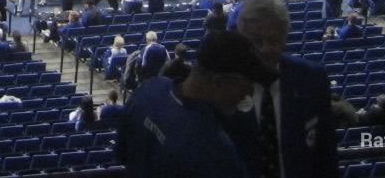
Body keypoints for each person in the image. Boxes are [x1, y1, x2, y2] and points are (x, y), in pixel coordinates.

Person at [117, 31, 276, 178]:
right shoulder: (216, 150)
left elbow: (121, 154)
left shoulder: (148, 90)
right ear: (219, 83)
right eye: (246, 86)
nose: (247, 95)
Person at [231, 0, 339, 178]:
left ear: (285, 39)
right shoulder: (227, 84)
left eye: (273, 40)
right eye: (257, 41)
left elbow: (325, 153)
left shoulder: (311, 78)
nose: (265, 48)